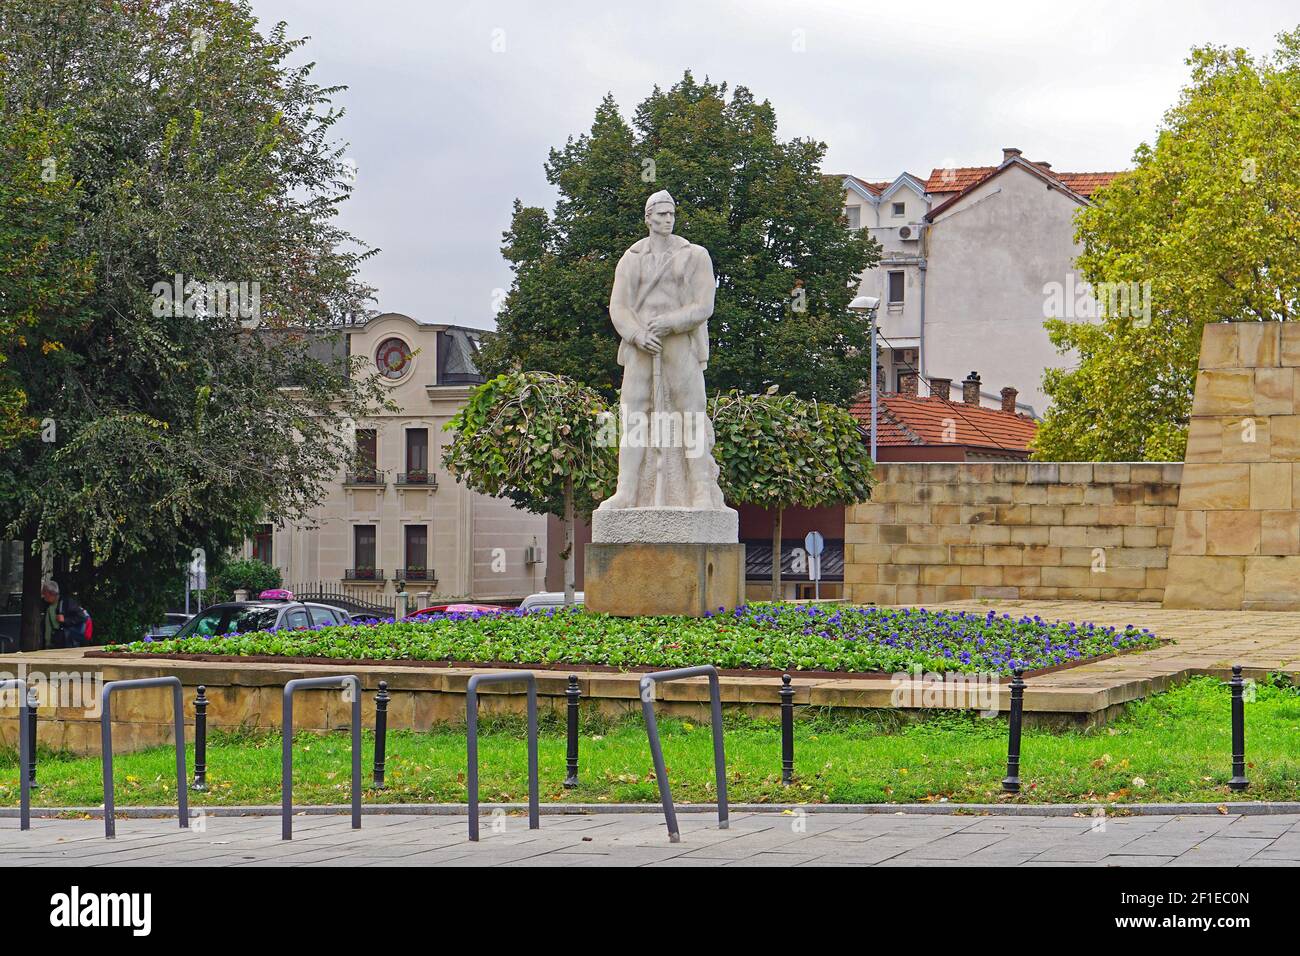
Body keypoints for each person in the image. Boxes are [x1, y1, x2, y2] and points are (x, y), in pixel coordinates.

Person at [600, 189, 726, 511]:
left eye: (671, 214)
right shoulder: (632, 258)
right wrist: (638, 335)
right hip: (641, 346)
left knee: (692, 415)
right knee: (633, 417)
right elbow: (619, 307)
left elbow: (704, 305)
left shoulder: (694, 255)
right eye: (661, 215)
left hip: (680, 342)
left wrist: (670, 322)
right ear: (648, 219)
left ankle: (700, 490)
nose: (667, 220)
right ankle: (626, 491)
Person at [41, 580, 89, 649]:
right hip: (54, 644)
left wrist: (65, 620)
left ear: (51, 593)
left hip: (67, 643)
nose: (43, 596)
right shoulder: (47, 606)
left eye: (44, 593)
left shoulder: (67, 603)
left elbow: (82, 617)